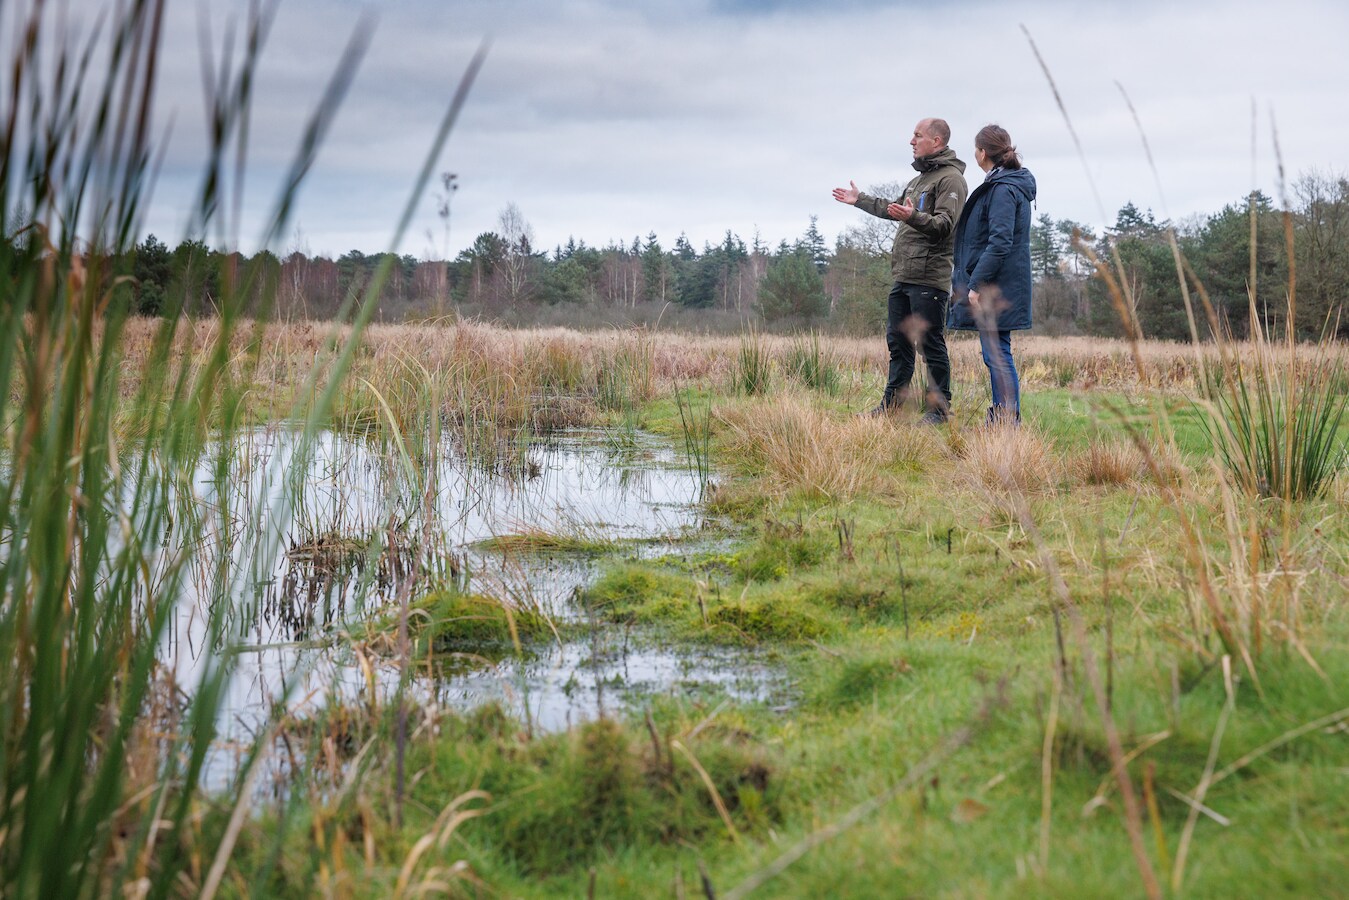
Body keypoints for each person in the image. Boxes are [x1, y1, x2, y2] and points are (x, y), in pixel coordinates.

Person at [833, 118, 968, 423]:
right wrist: (860, 200)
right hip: (904, 277)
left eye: (917, 136)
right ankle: (892, 407)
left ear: (936, 141)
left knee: (930, 344)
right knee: (898, 343)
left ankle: (939, 411)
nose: (911, 141)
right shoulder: (919, 180)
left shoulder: (951, 180)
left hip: (929, 278)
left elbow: (945, 226)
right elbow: (894, 208)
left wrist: (913, 216)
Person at [948, 124, 1037, 425]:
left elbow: (1000, 242)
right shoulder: (1008, 184)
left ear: (982, 153)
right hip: (1002, 284)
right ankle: (1003, 417)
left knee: (997, 354)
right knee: (996, 353)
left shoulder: (1002, 189)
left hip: (996, 288)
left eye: (975, 148)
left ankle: (1006, 420)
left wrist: (975, 285)